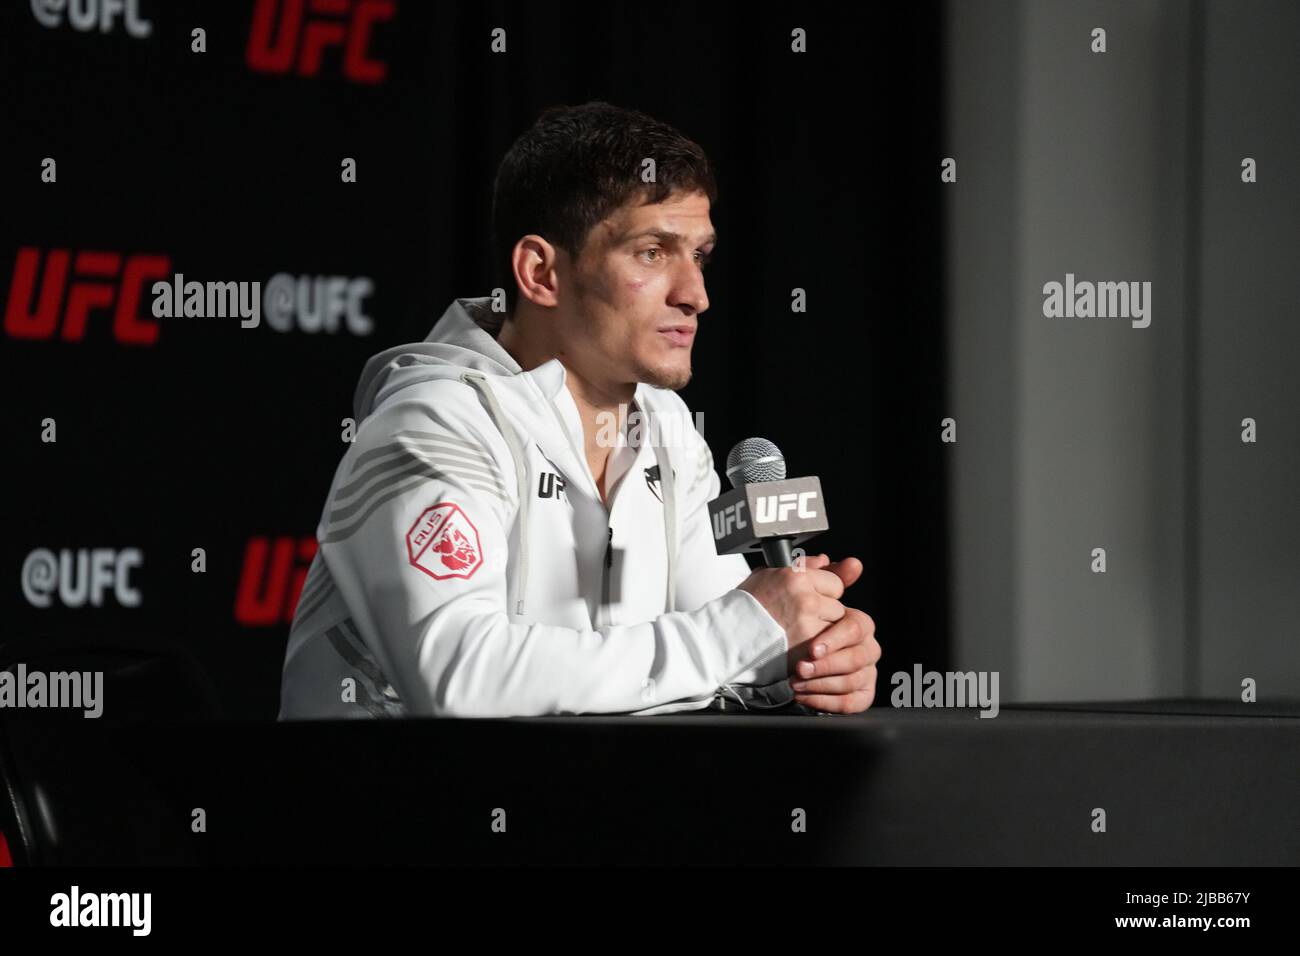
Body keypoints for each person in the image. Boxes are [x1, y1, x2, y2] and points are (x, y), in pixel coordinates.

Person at [278, 101, 880, 719]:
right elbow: (460, 675)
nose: (695, 294)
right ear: (541, 273)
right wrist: (745, 629)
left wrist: (807, 658)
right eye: (652, 252)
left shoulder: (670, 427)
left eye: (698, 255)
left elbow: (723, 644)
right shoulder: (432, 423)